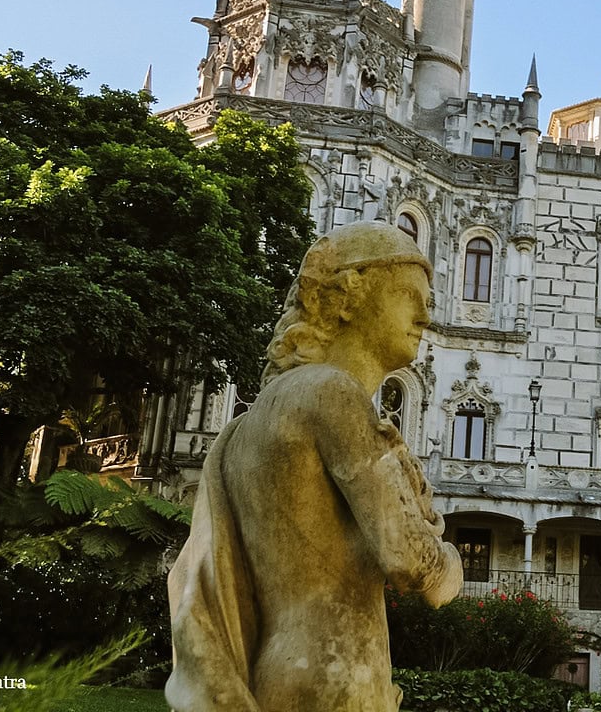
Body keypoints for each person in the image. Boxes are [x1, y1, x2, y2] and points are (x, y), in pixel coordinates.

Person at [167, 221, 463, 712]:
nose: (426, 314)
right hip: (338, 677)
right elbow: (412, 563)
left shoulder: (249, 423)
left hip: (278, 670)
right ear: (349, 297)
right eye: (409, 294)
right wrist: (449, 563)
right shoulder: (334, 394)